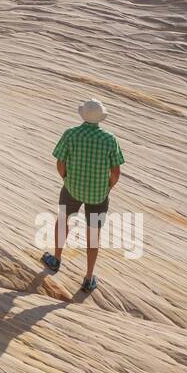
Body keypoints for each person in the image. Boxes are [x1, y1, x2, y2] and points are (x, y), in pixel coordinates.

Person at [41, 99, 124, 292]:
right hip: (99, 194)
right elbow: (116, 172)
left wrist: (67, 179)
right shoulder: (110, 139)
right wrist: (107, 187)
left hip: (72, 188)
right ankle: (88, 278)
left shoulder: (71, 134)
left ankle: (56, 259)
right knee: (93, 234)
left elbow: (60, 163)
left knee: (63, 220)